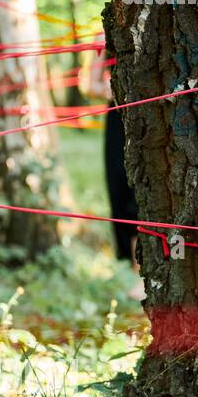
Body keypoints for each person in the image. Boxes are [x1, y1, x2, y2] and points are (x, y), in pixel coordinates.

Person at [79, 45, 145, 301]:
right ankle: (133, 271)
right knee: (121, 190)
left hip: (150, 117)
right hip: (118, 119)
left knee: (142, 192)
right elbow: (88, 85)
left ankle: (143, 275)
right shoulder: (103, 36)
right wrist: (109, 89)